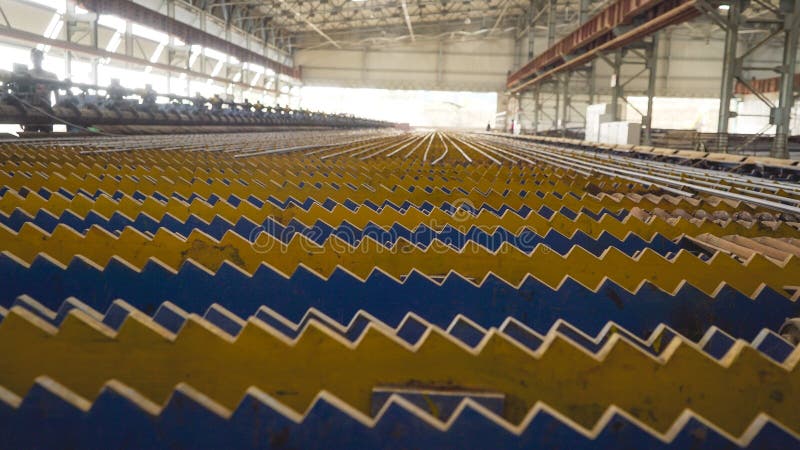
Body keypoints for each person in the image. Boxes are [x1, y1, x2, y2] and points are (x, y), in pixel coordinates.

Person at [22, 48, 59, 132]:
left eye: (38, 56)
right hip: (30, 109)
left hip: (47, 110)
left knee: (47, 138)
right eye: (34, 56)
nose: (36, 59)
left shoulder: (51, 76)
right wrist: (23, 113)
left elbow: (57, 92)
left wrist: (57, 106)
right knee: (29, 138)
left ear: (42, 58)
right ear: (31, 58)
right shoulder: (26, 74)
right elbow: (22, 94)